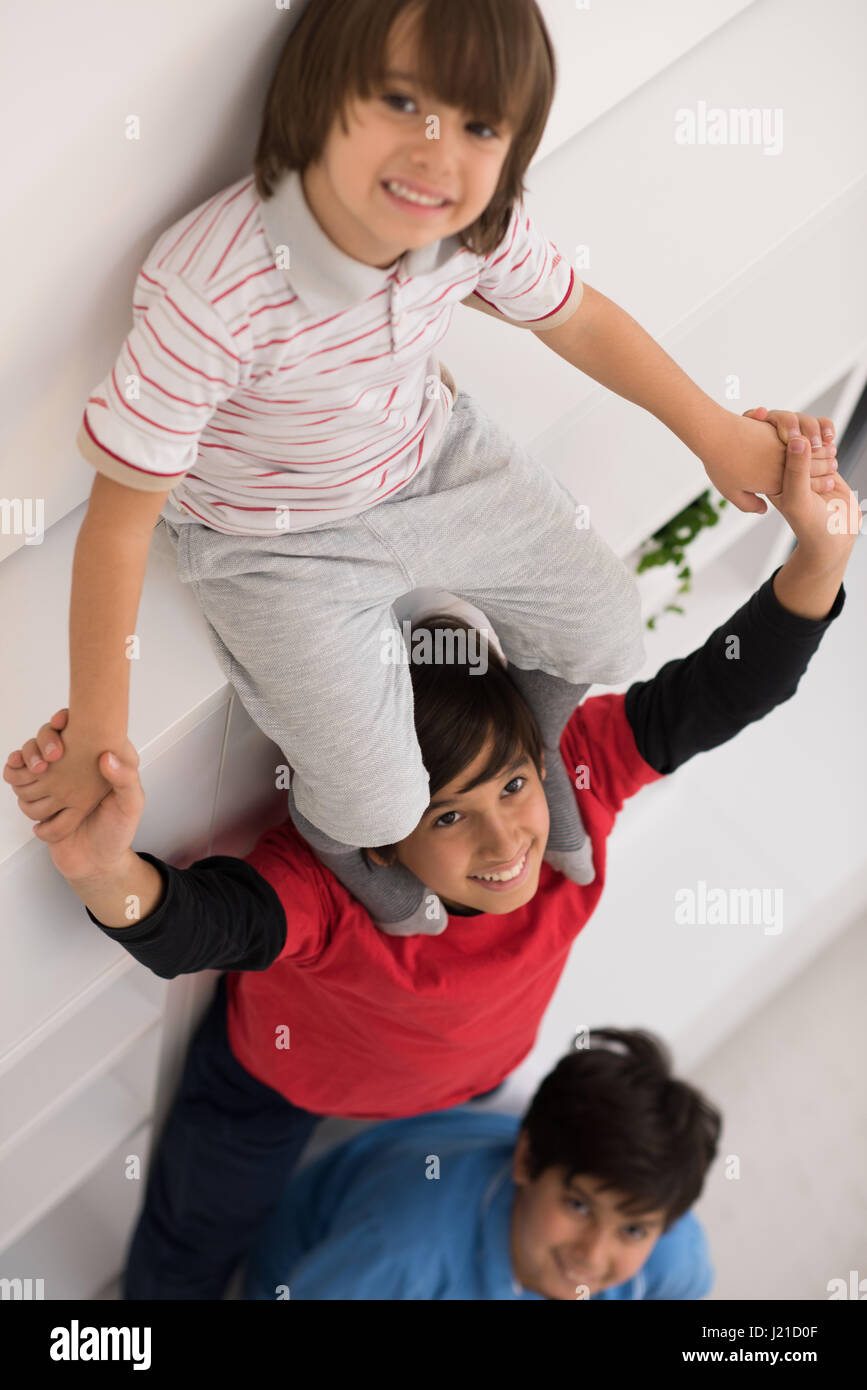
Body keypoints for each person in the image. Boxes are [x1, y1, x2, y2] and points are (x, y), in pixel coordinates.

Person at [16, 0, 839, 935]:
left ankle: (537, 750)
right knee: (376, 809)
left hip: (434, 461)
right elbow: (118, 524)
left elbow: (577, 317)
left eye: (480, 126)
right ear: (318, 92)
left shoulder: (473, 222)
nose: (437, 153)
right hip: (273, 542)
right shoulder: (217, 288)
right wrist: (98, 731)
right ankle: (348, 844)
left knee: (609, 634)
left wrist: (714, 434)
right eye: (401, 102)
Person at [5, 432, 859, 1299]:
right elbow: (202, 925)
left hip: (462, 1083)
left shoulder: (574, 779)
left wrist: (821, 551)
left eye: (512, 787)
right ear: (380, 837)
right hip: (277, 1081)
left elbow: (720, 691)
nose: (505, 841)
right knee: (187, 1250)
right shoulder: (333, 885)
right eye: (447, 814)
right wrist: (98, 866)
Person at [241, 1028, 721, 1301]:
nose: (592, 1256)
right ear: (526, 1161)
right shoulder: (398, 1252)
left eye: (633, 1230)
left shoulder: (673, 1259)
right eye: (578, 1206)